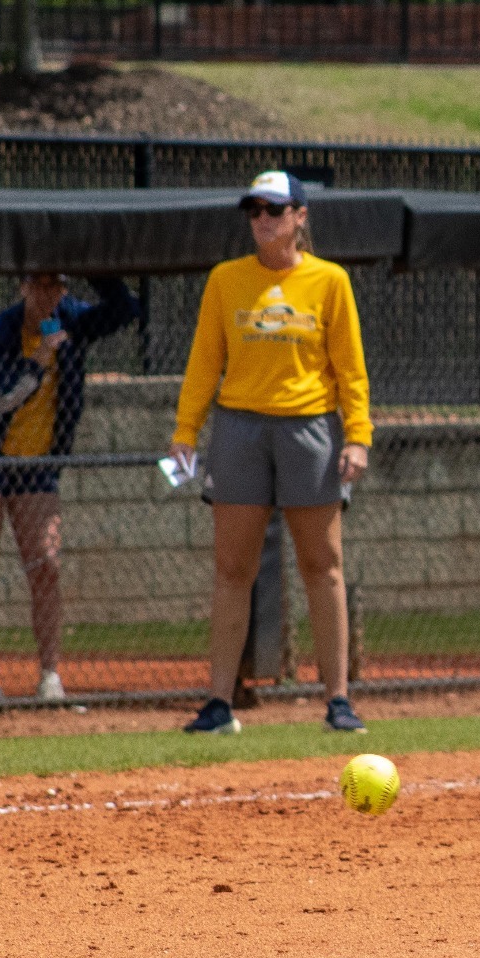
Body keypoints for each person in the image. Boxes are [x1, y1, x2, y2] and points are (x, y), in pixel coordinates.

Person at [171, 171, 373, 735]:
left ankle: (337, 700)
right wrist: (186, 430)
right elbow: (204, 361)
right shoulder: (226, 279)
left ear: (300, 217)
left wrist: (358, 435)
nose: (263, 219)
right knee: (232, 568)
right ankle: (219, 703)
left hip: (310, 426)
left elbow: (350, 367)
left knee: (322, 565)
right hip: (240, 427)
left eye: (275, 209)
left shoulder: (329, 280)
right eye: (254, 210)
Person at [0, 273, 141, 701]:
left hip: (36, 464)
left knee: (46, 564)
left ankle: (50, 675)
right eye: (41, 286)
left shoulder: (69, 318)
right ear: (24, 287)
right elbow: (0, 399)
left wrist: (97, 270)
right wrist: (38, 359)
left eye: (58, 286)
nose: (49, 296)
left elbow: (124, 311)